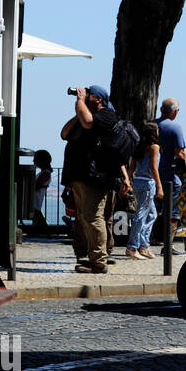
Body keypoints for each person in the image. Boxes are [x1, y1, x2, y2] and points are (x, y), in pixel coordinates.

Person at [61, 84, 124, 274]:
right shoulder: (86, 116)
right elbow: (64, 133)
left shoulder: (106, 115)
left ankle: (99, 261)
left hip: (95, 178)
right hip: (80, 177)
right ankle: (92, 257)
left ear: (98, 99)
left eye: (88, 94)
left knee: (94, 217)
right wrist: (80, 111)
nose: (83, 95)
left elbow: (88, 122)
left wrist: (80, 102)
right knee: (84, 218)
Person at [127, 121, 164, 259]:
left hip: (137, 182)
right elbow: (154, 168)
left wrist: (127, 182)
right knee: (141, 216)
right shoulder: (154, 147)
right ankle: (132, 246)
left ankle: (144, 245)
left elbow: (132, 167)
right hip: (148, 183)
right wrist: (159, 186)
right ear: (154, 133)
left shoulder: (139, 147)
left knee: (152, 214)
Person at [156, 97, 186, 248]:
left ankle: (145, 244)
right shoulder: (175, 128)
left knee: (152, 211)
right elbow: (180, 153)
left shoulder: (152, 125)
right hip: (170, 177)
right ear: (174, 112)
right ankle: (168, 246)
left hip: (152, 176)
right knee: (173, 213)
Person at [31, 150, 53, 230]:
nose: (33, 161)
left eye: (35, 159)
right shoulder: (43, 172)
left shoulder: (45, 173)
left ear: (41, 160)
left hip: (34, 201)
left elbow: (35, 186)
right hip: (34, 200)